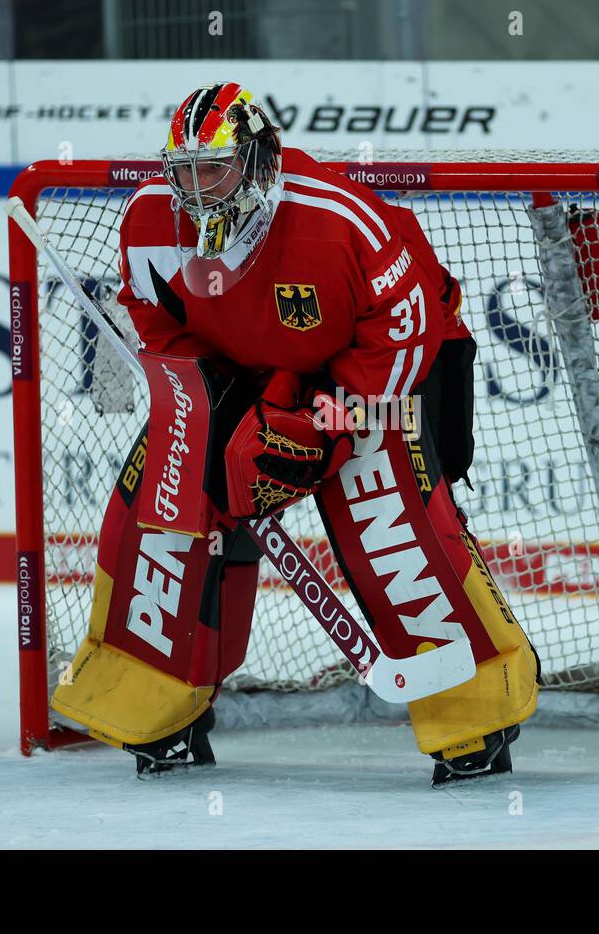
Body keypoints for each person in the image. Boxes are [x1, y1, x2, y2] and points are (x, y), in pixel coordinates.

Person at [51, 82, 540, 784]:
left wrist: (312, 423)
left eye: (212, 168)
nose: (196, 189)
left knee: (386, 517)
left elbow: (404, 340)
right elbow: (161, 329)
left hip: (381, 377)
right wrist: (225, 409)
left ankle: (475, 709)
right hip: (246, 372)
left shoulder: (338, 220)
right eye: (181, 170)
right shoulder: (150, 220)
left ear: (257, 160)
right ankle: (157, 701)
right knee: (169, 483)